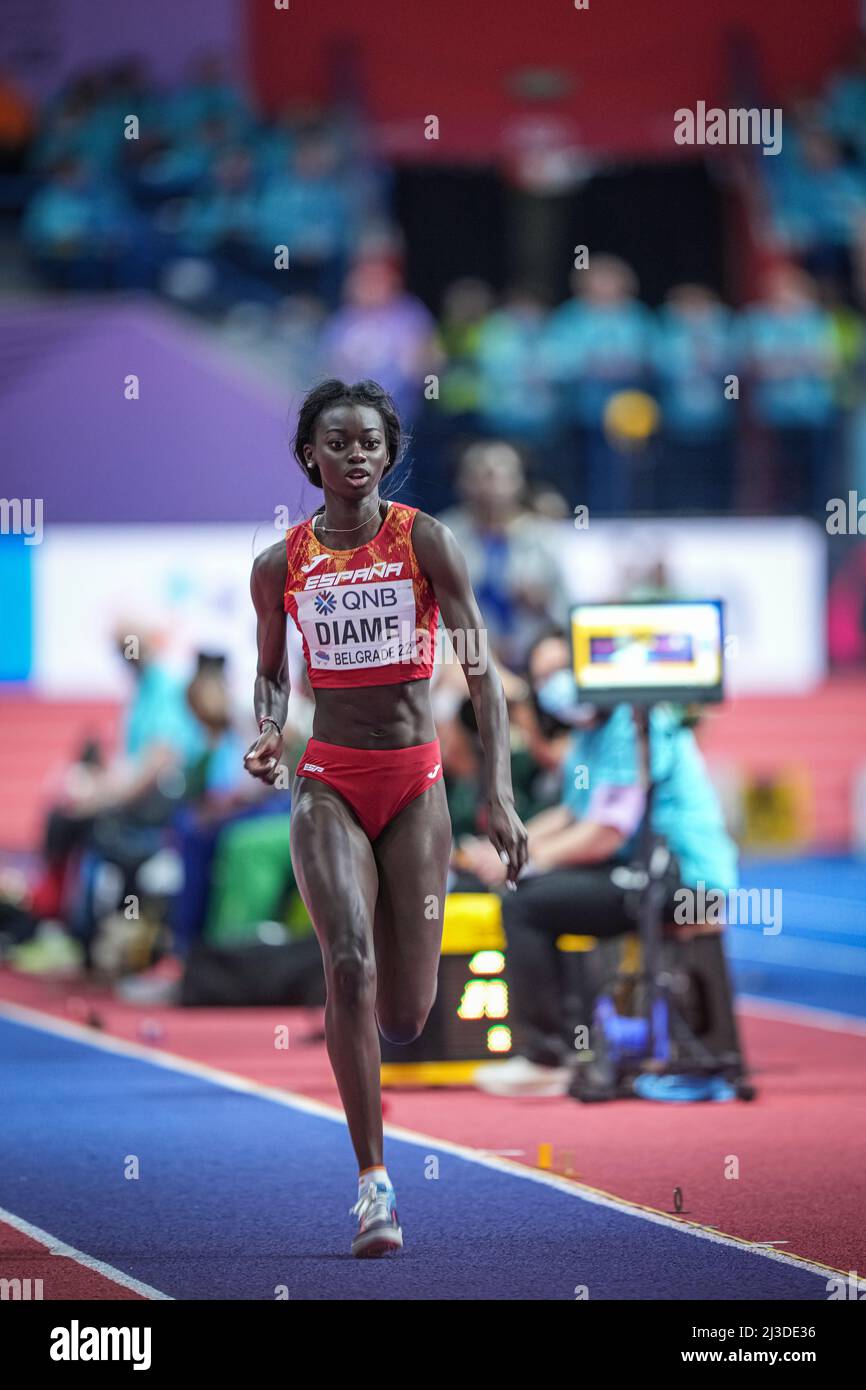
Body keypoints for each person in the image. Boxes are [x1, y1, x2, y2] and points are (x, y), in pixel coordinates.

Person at [244, 378, 527, 1256]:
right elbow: (271, 672)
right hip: (327, 779)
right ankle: (374, 1184)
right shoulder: (280, 563)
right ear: (311, 457)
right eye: (340, 442)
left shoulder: (427, 542)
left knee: (404, 1012)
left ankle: (379, 1077)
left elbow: (482, 673)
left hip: (417, 787)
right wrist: (265, 732)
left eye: (371, 442)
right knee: (350, 963)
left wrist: (502, 794)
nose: (357, 454)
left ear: (388, 454)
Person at [462, 632, 738, 1098]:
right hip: (643, 868)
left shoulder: (633, 724)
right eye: (544, 676)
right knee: (534, 893)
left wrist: (524, 863)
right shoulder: (595, 731)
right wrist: (508, 847)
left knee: (528, 904)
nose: (554, 684)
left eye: (561, 670)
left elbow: (606, 832)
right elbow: (573, 814)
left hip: (688, 880)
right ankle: (574, 1042)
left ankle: (548, 1056)